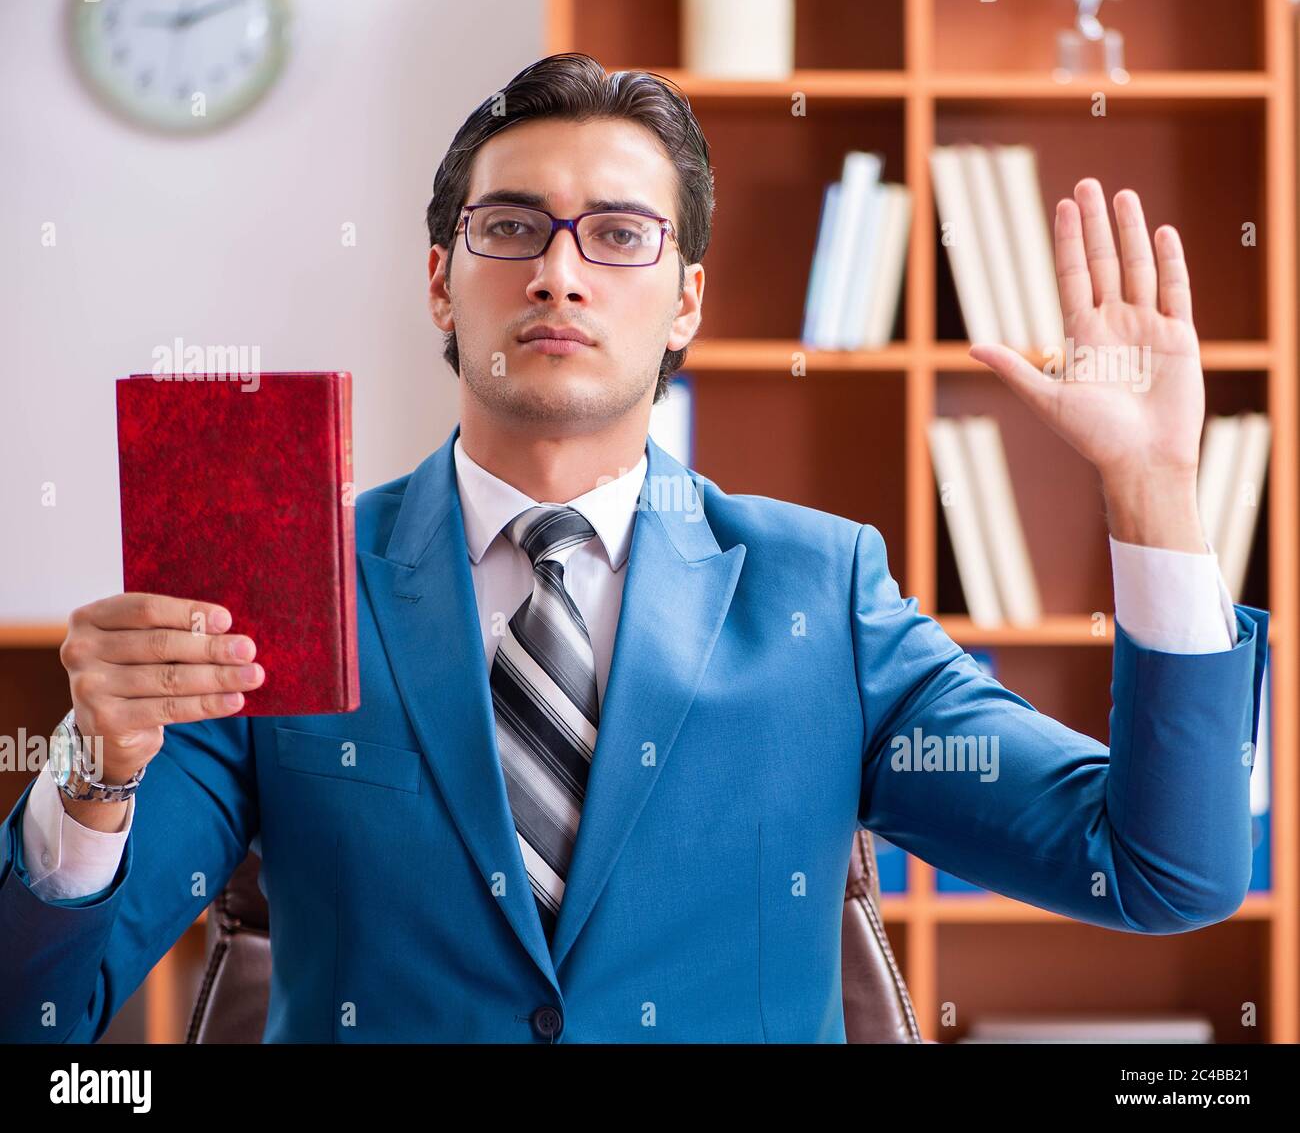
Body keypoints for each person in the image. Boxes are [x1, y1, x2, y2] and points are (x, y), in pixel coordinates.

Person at [0, 53, 1268, 1043]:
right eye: (511, 230)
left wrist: (1154, 489)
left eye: (617, 234)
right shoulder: (276, 589)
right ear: (441, 284)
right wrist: (92, 771)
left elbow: (1162, 872)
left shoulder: (818, 592)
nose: (560, 274)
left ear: (687, 301)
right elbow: (39, 1014)